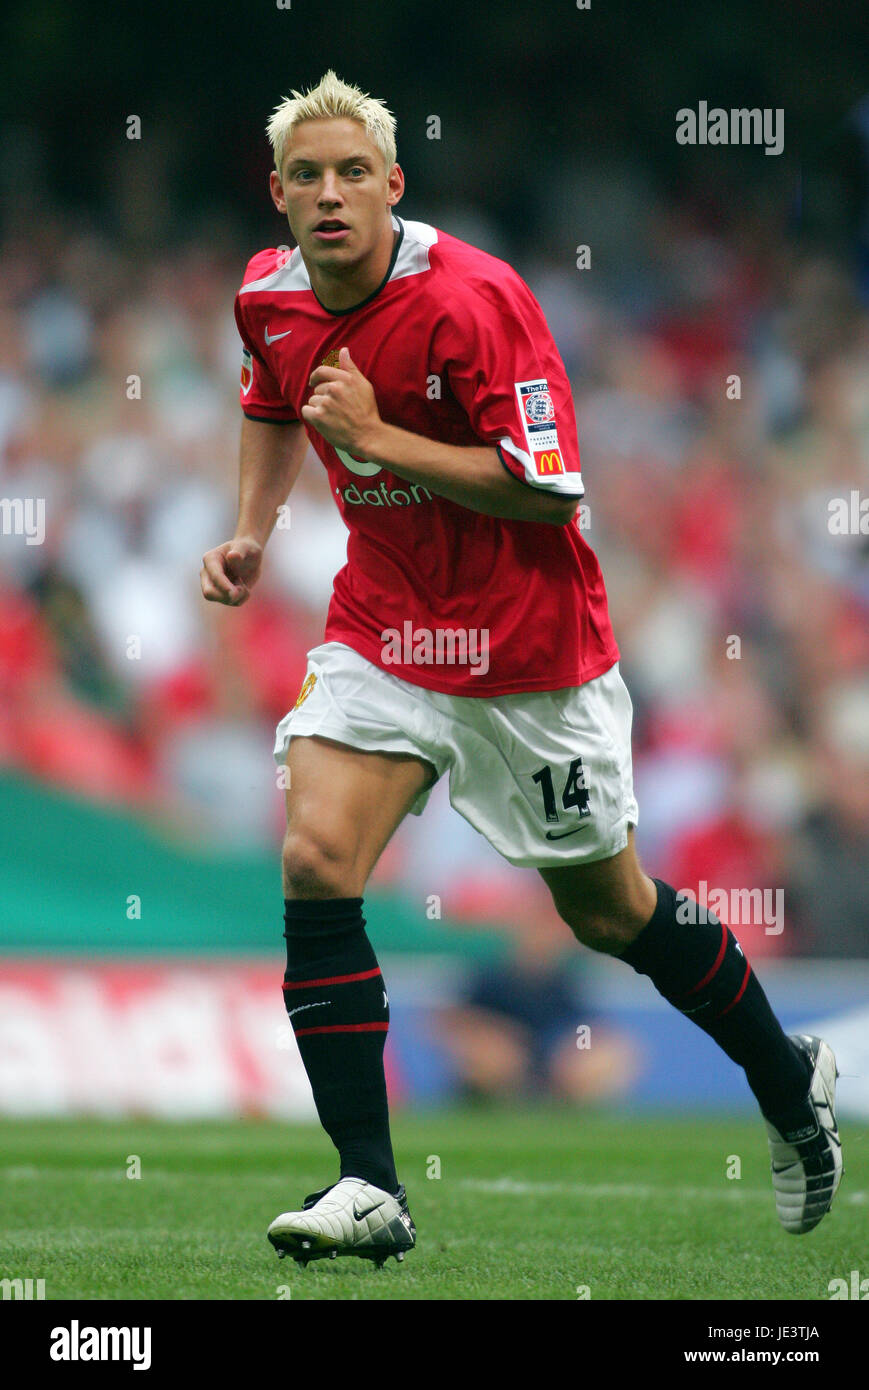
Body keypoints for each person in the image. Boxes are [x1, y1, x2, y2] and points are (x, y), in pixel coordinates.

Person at [200, 70, 842, 1268]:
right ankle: (367, 1183)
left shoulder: (476, 301)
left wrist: (378, 438)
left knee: (609, 911)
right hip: (384, 628)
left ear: (394, 185)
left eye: (352, 174)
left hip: (528, 651)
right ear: (278, 196)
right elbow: (269, 402)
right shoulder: (267, 295)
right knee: (313, 853)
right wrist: (252, 528)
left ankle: (782, 1071)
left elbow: (551, 489)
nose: (329, 195)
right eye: (306, 177)